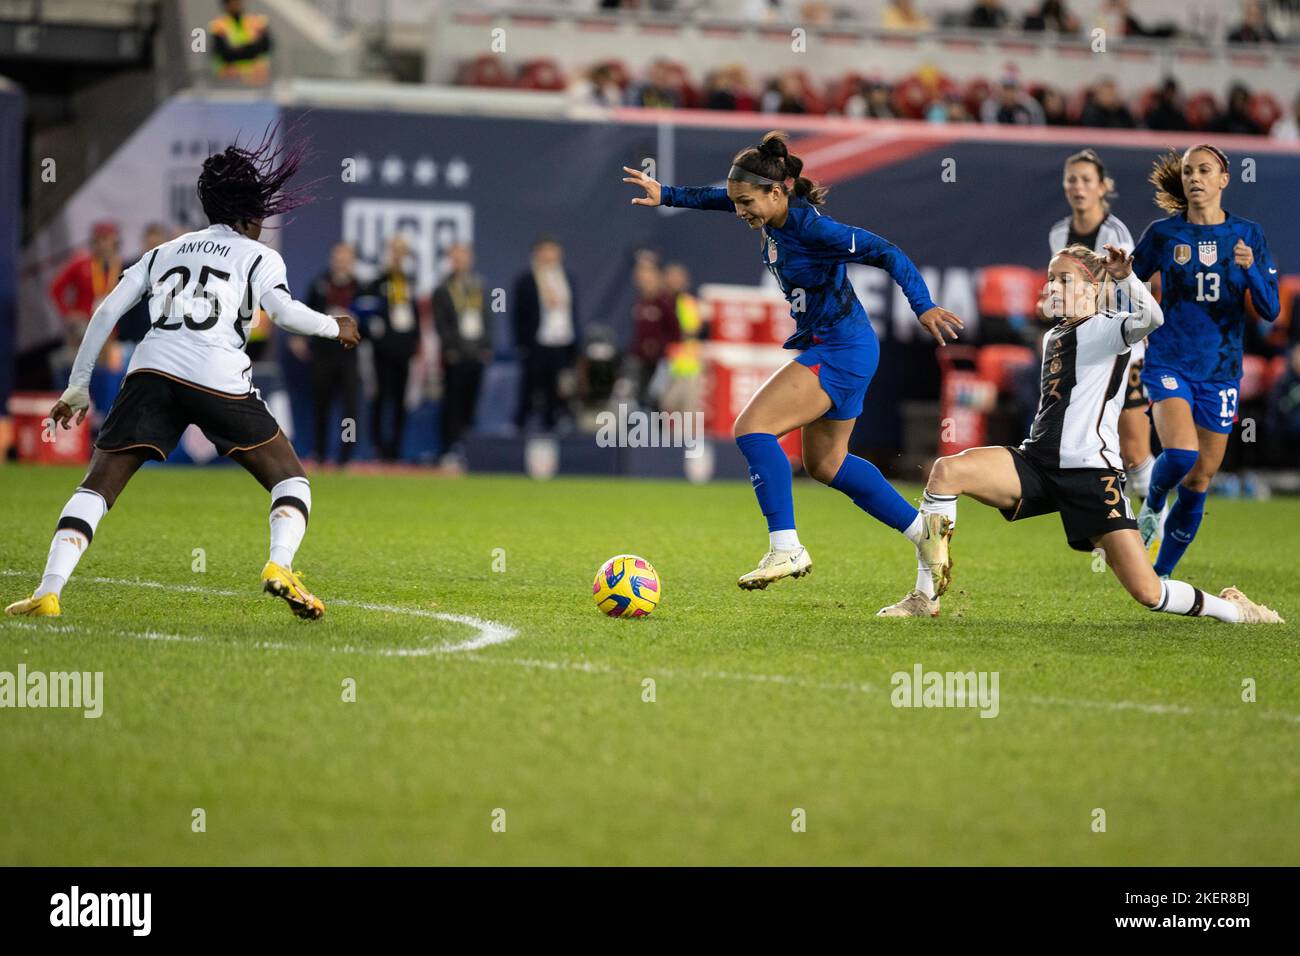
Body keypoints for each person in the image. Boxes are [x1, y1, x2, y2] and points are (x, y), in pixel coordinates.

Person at [6, 133, 360, 620]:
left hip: (151, 370)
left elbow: (107, 309)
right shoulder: (259, 255)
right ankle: (280, 566)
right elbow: (283, 312)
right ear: (251, 216)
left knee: (96, 487)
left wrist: (78, 385)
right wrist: (333, 326)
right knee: (291, 481)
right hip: (216, 373)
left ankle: (48, 591)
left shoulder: (165, 251)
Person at [622, 131, 963, 590]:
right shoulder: (767, 212)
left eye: (746, 201)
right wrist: (666, 194)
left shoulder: (814, 229)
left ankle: (786, 547)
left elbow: (889, 253)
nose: (740, 210)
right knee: (827, 464)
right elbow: (716, 198)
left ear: (777, 190)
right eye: (736, 201)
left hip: (842, 350)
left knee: (751, 428)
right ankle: (924, 533)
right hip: (845, 346)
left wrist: (922, 305)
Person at [878, 244, 1281, 623]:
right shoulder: (1053, 335)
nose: (1053, 287)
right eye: (1051, 279)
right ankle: (924, 597)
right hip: (1036, 463)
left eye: (1064, 280)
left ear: (1093, 288)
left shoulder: (1108, 329)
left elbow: (1152, 319)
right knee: (948, 471)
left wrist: (1125, 279)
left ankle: (1234, 610)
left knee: (1149, 593)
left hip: (1091, 475)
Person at [1132, 145, 1279, 578]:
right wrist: (1118, 277)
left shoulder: (1248, 235)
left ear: (1223, 179)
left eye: (1205, 170)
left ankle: (1159, 578)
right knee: (1179, 454)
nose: (1195, 177)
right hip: (1169, 361)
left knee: (1198, 482)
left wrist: (1251, 270)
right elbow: (1130, 281)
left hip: (1220, 371)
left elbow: (1270, 310)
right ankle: (1154, 503)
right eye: (1189, 171)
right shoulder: (1163, 234)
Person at [1047, 149, 1152, 499]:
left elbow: (1121, 294)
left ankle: (1156, 525)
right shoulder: (1059, 234)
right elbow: (1062, 292)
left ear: (1103, 187)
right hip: (1078, 346)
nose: (1078, 187)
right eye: (1071, 179)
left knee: (1135, 449)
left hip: (1114, 343)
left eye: (1086, 180)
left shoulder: (1115, 234)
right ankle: (1104, 520)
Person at [49, 221, 127, 419]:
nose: (102, 244)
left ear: (114, 241)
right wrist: (68, 313)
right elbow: (56, 288)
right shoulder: (81, 263)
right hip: (82, 330)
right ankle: (68, 412)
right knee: (75, 369)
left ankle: (102, 418)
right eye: (98, 239)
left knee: (108, 374)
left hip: (109, 334)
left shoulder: (122, 266)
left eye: (106, 239)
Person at [362, 233, 421, 461]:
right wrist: (378, 338)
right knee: (380, 397)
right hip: (382, 351)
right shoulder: (377, 283)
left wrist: (415, 342)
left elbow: (415, 315)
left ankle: (396, 447)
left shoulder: (409, 282)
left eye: (402, 251)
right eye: (394, 251)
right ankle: (377, 446)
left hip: (404, 350)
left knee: (400, 400)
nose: (398, 256)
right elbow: (366, 316)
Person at [513, 236, 579, 433]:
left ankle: (552, 426)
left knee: (558, 389)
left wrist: (574, 342)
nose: (551, 256)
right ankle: (519, 425)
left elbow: (573, 312)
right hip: (537, 343)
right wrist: (521, 343)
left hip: (561, 342)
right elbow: (518, 314)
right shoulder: (526, 280)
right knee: (531, 386)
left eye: (554, 251)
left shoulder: (567, 278)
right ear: (537, 253)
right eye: (546, 251)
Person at [304, 241, 362, 466]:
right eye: (338, 256)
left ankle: (345, 455)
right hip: (323, 352)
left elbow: (370, 318)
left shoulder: (361, 286)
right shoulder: (320, 283)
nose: (341, 261)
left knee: (349, 409)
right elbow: (305, 314)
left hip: (349, 354)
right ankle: (319, 452)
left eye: (346, 257)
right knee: (321, 404)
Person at [433, 242, 491, 458]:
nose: (461, 261)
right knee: (452, 402)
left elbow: (488, 317)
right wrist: (450, 348)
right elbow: (441, 323)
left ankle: (469, 448)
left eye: (464, 256)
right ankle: (448, 448)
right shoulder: (443, 288)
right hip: (455, 354)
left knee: (471, 401)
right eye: (456, 257)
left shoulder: (480, 285)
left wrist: (487, 345)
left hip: (476, 352)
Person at [209, 0, 273, 84]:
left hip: (257, 78)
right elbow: (224, 53)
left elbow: (265, 46)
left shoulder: (257, 22)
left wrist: (238, 49)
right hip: (230, 78)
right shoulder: (218, 26)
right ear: (226, 5)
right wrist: (251, 48)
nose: (238, 4)